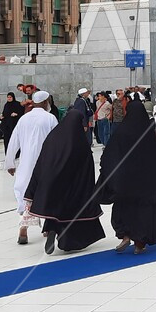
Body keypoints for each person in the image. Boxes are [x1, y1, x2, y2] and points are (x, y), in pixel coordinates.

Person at [95, 99, 156, 254]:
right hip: (144, 185)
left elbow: (108, 155)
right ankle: (139, 243)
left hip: (124, 184)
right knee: (144, 214)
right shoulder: (147, 132)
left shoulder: (121, 131)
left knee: (123, 209)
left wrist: (109, 174)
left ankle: (125, 235)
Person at [25, 109, 106, 254]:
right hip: (74, 187)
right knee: (71, 213)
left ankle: (51, 229)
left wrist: (40, 181)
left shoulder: (54, 136)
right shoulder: (79, 140)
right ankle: (67, 241)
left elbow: (43, 159)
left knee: (55, 210)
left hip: (54, 182)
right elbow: (86, 166)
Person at [6, 91, 59, 244]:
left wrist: (10, 163)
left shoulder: (23, 119)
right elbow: (56, 142)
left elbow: (13, 141)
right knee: (47, 194)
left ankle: (23, 228)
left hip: (26, 164)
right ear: (45, 102)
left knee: (26, 195)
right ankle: (48, 228)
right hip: (45, 164)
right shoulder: (50, 118)